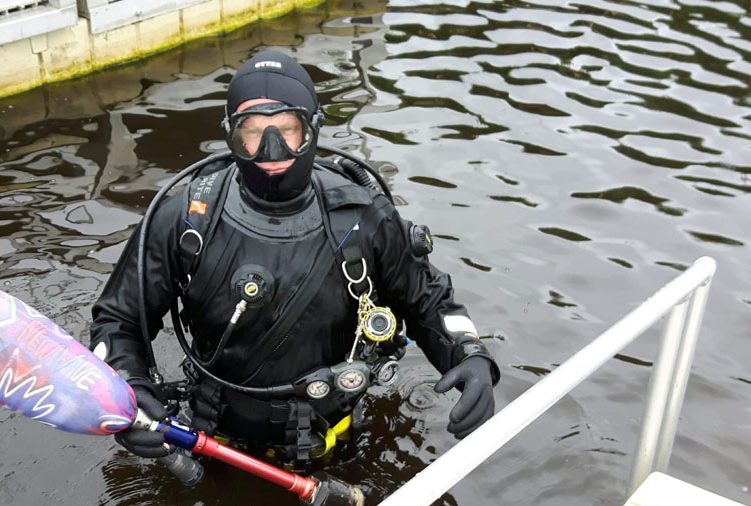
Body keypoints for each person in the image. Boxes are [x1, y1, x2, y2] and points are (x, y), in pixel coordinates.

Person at [90, 50, 500, 467]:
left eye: (288, 128)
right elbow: (118, 320)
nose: (272, 149)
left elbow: (428, 300)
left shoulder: (360, 216)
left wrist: (469, 354)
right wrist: (129, 392)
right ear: (232, 135)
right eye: (253, 132)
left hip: (337, 440)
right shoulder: (185, 219)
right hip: (214, 440)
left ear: (312, 129)